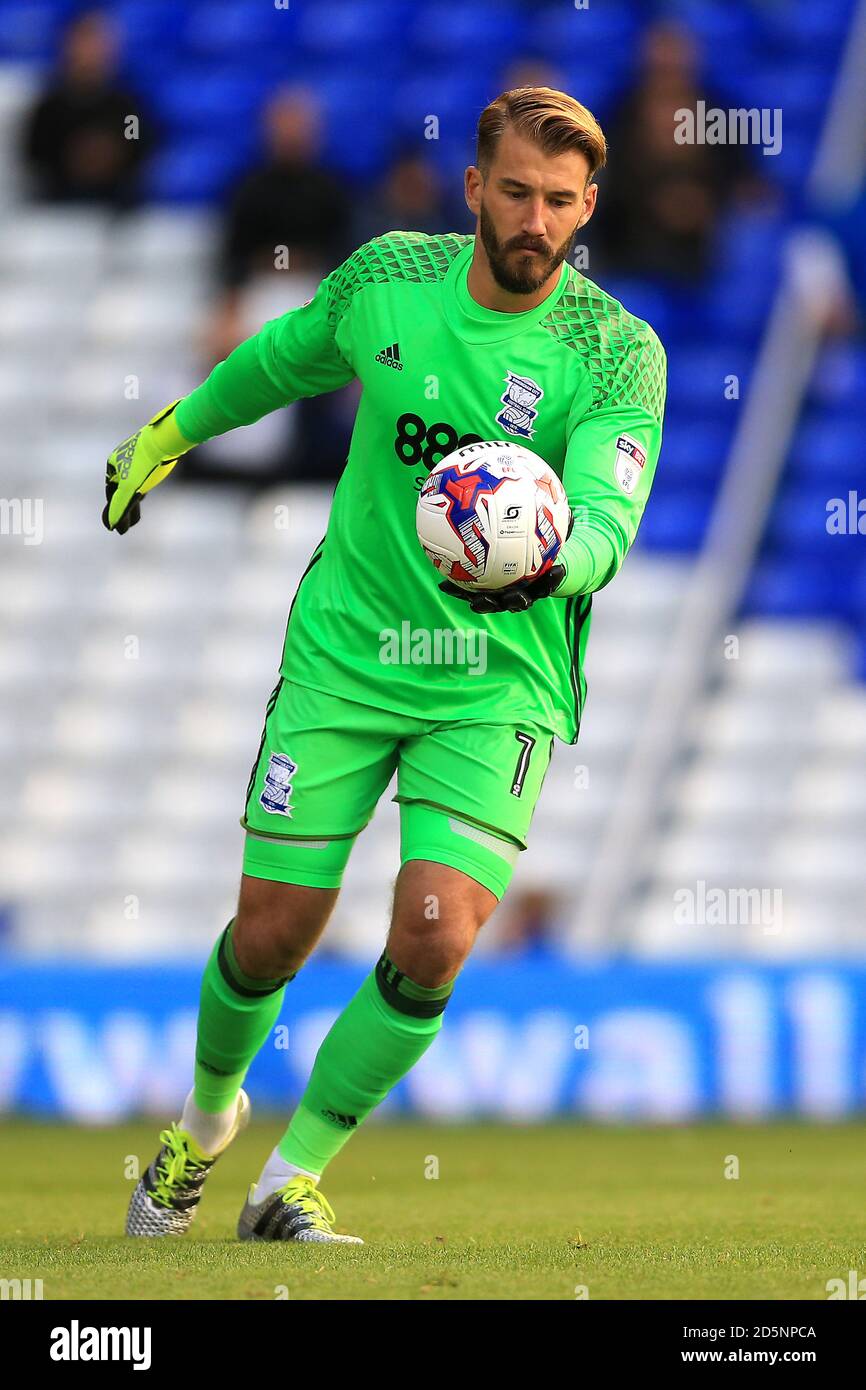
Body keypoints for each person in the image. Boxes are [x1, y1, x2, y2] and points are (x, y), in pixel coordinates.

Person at [104, 86, 666, 1244]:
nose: (533, 218)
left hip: (495, 674)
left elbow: (608, 519)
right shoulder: (387, 281)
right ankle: (204, 1127)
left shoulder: (615, 353)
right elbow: (281, 359)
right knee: (272, 931)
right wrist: (170, 433)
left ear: (586, 207)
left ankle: (293, 1177)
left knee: (436, 930)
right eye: (513, 192)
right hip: (347, 654)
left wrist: (547, 567)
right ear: (473, 189)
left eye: (558, 202)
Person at [21, 8, 153, 208]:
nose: (91, 52)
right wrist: (73, 159)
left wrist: (112, 155)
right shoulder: (50, 108)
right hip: (59, 208)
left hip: (114, 208)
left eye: (98, 44)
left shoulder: (126, 109)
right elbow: (35, 154)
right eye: (84, 43)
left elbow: (134, 140)